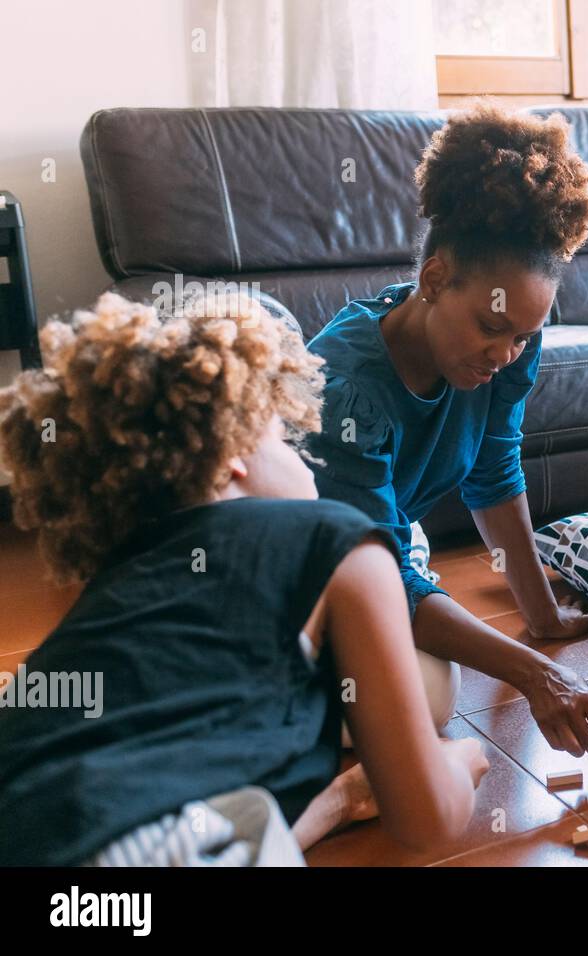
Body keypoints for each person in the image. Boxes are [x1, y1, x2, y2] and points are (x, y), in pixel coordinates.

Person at [0, 293, 487, 866]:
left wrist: (340, 799)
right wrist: (462, 762)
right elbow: (426, 819)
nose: (305, 460)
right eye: (284, 437)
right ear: (231, 453)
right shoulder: (333, 538)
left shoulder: (108, 599)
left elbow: (173, 809)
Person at [307, 105, 588, 758]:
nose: (505, 353)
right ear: (435, 279)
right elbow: (376, 574)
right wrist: (533, 672)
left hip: (380, 539)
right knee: (422, 701)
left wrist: (543, 619)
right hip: (306, 557)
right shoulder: (345, 390)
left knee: (417, 695)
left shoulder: (511, 344)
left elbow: (494, 472)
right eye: (489, 327)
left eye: (524, 334)